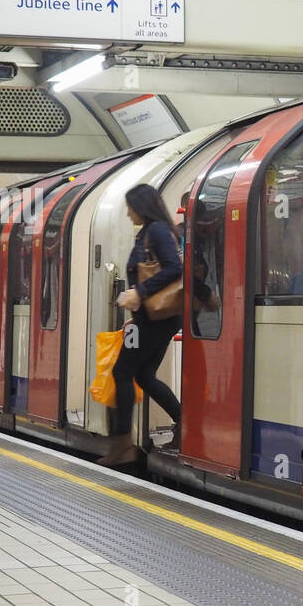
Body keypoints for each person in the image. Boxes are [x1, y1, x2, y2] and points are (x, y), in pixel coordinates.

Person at [100, 184, 183, 465]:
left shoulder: (157, 230)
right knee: (143, 375)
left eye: (130, 207)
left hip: (157, 319)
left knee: (123, 371)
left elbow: (174, 268)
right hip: (152, 318)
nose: (127, 213)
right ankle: (186, 424)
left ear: (141, 206)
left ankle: (122, 444)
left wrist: (140, 292)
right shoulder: (150, 232)